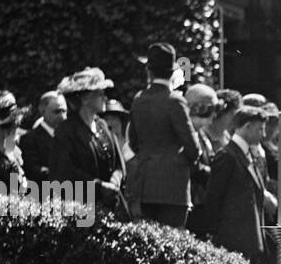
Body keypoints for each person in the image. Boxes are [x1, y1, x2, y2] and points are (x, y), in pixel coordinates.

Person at [127, 43, 201, 229]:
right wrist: (177, 160)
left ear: (148, 71)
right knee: (173, 244)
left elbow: (134, 142)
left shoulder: (138, 99)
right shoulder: (175, 101)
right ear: (172, 72)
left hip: (144, 185)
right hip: (173, 188)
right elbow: (193, 148)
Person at [49, 67, 127, 219]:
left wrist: (115, 180)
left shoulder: (102, 126)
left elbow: (118, 162)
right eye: (100, 94)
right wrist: (99, 187)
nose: (105, 98)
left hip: (110, 206)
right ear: (85, 99)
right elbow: (64, 173)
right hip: (80, 210)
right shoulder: (66, 131)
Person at [204, 105, 276, 264]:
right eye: (260, 129)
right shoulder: (227, 156)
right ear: (247, 127)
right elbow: (214, 197)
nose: (263, 134)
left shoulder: (250, 155)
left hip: (249, 238)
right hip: (232, 238)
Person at [183, 84, 219, 237]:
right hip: (191, 203)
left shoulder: (202, 135)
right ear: (200, 109)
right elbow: (193, 166)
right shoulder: (185, 133)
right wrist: (216, 175)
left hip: (203, 203)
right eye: (211, 110)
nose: (214, 116)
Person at [18, 91, 67, 188]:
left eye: (64, 111)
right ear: (42, 111)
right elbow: (33, 171)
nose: (62, 116)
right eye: (57, 111)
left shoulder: (70, 137)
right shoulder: (29, 139)